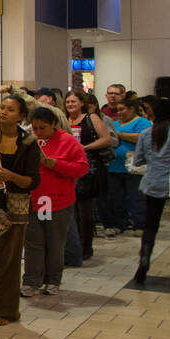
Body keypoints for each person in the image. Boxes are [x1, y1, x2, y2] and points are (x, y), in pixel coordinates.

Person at [0, 95, 41, 324]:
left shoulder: (29, 143)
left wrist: (10, 176)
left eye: (10, 109)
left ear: (21, 116)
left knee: (9, 259)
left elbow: (33, 181)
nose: (3, 112)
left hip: (16, 202)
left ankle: (5, 311)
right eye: (2, 107)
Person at [21, 108, 88, 297]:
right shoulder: (30, 141)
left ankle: (53, 280)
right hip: (36, 199)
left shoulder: (68, 141)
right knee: (34, 242)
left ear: (53, 125)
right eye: (35, 128)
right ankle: (31, 281)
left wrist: (57, 164)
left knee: (55, 242)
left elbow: (82, 168)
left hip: (58, 201)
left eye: (43, 128)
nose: (38, 132)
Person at [132, 99, 170, 283]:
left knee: (150, 226)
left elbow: (138, 161)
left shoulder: (145, 134)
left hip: (152, 183)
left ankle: (144, 259)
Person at [64, 90, 112, 259]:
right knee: (72, 211)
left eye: (73, 101)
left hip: (88, 167)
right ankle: (74, 245)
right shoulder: (64, 120)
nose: (70, 105)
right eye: (68, 102)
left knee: (85, 211)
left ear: (82, 103)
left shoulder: (91, 118)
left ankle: (86, 247)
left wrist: (85, 147)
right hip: (69, 168)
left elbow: (106, 139)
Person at [108, 97, 151, 236]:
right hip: (115, 166)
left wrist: (119, 134)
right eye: (117, 110)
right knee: (116, 198)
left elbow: (141, 137)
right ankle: (119, 223)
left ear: (132, 109)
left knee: (136, 196)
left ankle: (140, 224)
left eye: (122, 109)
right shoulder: (115, 123)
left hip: (134, 167)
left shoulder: (142, 122)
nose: (119, 113)